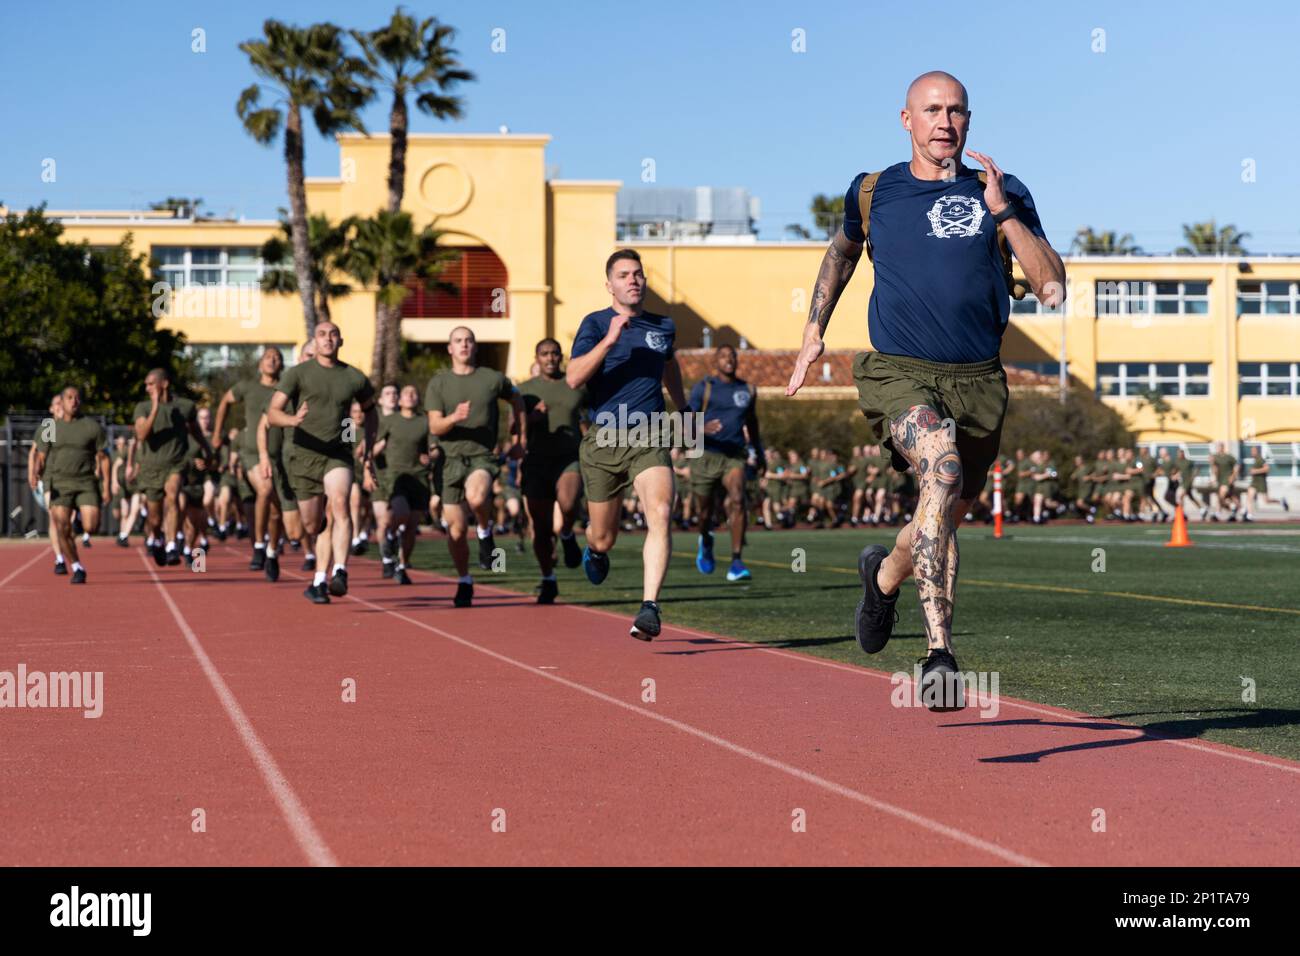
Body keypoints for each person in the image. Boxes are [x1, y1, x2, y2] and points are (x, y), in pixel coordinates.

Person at [786, 70, 1063, 708]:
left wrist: (1004, 217)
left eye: (957, 111)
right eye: (932, 110)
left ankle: (883, 578)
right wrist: (813, 330)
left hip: (980, 384)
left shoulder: (1005, 190)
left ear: (969, 121)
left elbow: (1052, 286)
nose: (945, 121)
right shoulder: (872, 191)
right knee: (937, 471)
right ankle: (939, 653)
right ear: (906, 120)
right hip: (900, 370)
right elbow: (840, 253)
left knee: (940, 515)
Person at [566, 248, 688, 639]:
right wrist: (610, 340)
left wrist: (683, 408)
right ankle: (597, 550)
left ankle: (649, 606)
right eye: (623, 275)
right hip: (603, 438)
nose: (633, 280)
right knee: (603, 535)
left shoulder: (663, 325)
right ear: (610, 285)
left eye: (638, 274)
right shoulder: (595, 323)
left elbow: (669, 363)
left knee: (661, 509)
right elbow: (573, 377)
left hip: (649, 432)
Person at [266, 322, 378, 604]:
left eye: (333, 334)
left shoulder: (354, 377)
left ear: (341, 340)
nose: (328, 339)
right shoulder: (297, 374)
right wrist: (292, 420)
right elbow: (272, 414)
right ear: (314, 342)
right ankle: (318, 579)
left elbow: (370, 411)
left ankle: (339, 571)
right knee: (312, 524)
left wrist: (369, 444)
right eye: (321, 335)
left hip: (337, 453)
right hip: (304, 456)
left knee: (340, 502)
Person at [425, 326, 526, 608]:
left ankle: (484, 531)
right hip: (449, 461)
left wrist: (519, 437)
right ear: (450, 348)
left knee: (477, 497)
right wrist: (454, 418)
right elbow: (434, 425)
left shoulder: (492, 379)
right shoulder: (438, 383)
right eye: (458, 341)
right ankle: (465, 580)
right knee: (456, 532)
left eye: (469, 340)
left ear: (475, 346)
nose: (464, 345)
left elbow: (516, 399)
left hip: (482, 456)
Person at [518, 338, 589, 604]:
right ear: (537, 358)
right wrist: (532, 419)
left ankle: (568, 533)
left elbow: (590, 417)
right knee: (541, 527)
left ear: (562, 357)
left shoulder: (577, 386)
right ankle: (548, 579)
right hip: (536, 462)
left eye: (554, 354)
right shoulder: (524, 390)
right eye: (544, 354)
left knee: (569, 504)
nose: (550, 358)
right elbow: (513, 430)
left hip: (568, 457)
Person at [686, 345, 760, 581]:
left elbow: (753, 424)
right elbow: (684, 421)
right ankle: (706, 539)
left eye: (732, 356)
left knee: (738, 499)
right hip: (704, 455)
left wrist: (760, 453)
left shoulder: (747, 390)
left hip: (733, 456)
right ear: (715, 362)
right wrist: (702, 427)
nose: (729, 360)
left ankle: (737, 562)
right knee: (705, 512)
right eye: (724, 357)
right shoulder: (704, 388)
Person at [214, 347, 286, 573]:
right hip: (252, 453)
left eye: (277, 358)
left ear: (282, 365)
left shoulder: (287, 389)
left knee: (277, 511)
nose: (272, 361)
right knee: (264, 489)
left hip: (281, 457)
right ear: (260, 364)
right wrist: (217, 432)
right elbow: (225, 401)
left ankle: (272, 551)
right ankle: (258, 545)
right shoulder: (248, 387)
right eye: (268, 357)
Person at [30, 386, 108, 584]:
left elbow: (103, 457)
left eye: (77, 398)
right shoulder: (50, 426)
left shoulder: (91, 427)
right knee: (61, 527)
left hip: (85, 482)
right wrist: (35, 472)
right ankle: (76, 566)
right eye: (69, 398)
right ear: (62, 402)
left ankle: (79, 528)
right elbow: (40, 454)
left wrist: (106, 485)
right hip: (60, 483)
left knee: (92, 525)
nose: (74, 401)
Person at [133, 369, 211, 567]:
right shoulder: (142, 407)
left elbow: (195, 431)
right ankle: (158, 538)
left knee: (173, 495)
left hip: (176, 463)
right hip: (151, 468)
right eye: (146, 385)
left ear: (164, 384)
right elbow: (142, 435)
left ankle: (171, 545)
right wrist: (155, 407)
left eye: (151, 384)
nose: (147, 388)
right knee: (155, 517)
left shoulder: (185, 407)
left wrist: (207, 450)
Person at [366, 385, 431, 585]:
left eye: (414, 393)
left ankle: (402, 566)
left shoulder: (425, 421)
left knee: (411, 527)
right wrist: (368, 467)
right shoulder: (389, 421)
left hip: (419, 478)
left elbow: (433, 447)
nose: (410, 396)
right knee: (399, 513)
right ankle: (390, 540)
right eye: (406, 394)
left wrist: (430, 456)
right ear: (400, 401)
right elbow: (370, 446)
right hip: (395, 476)